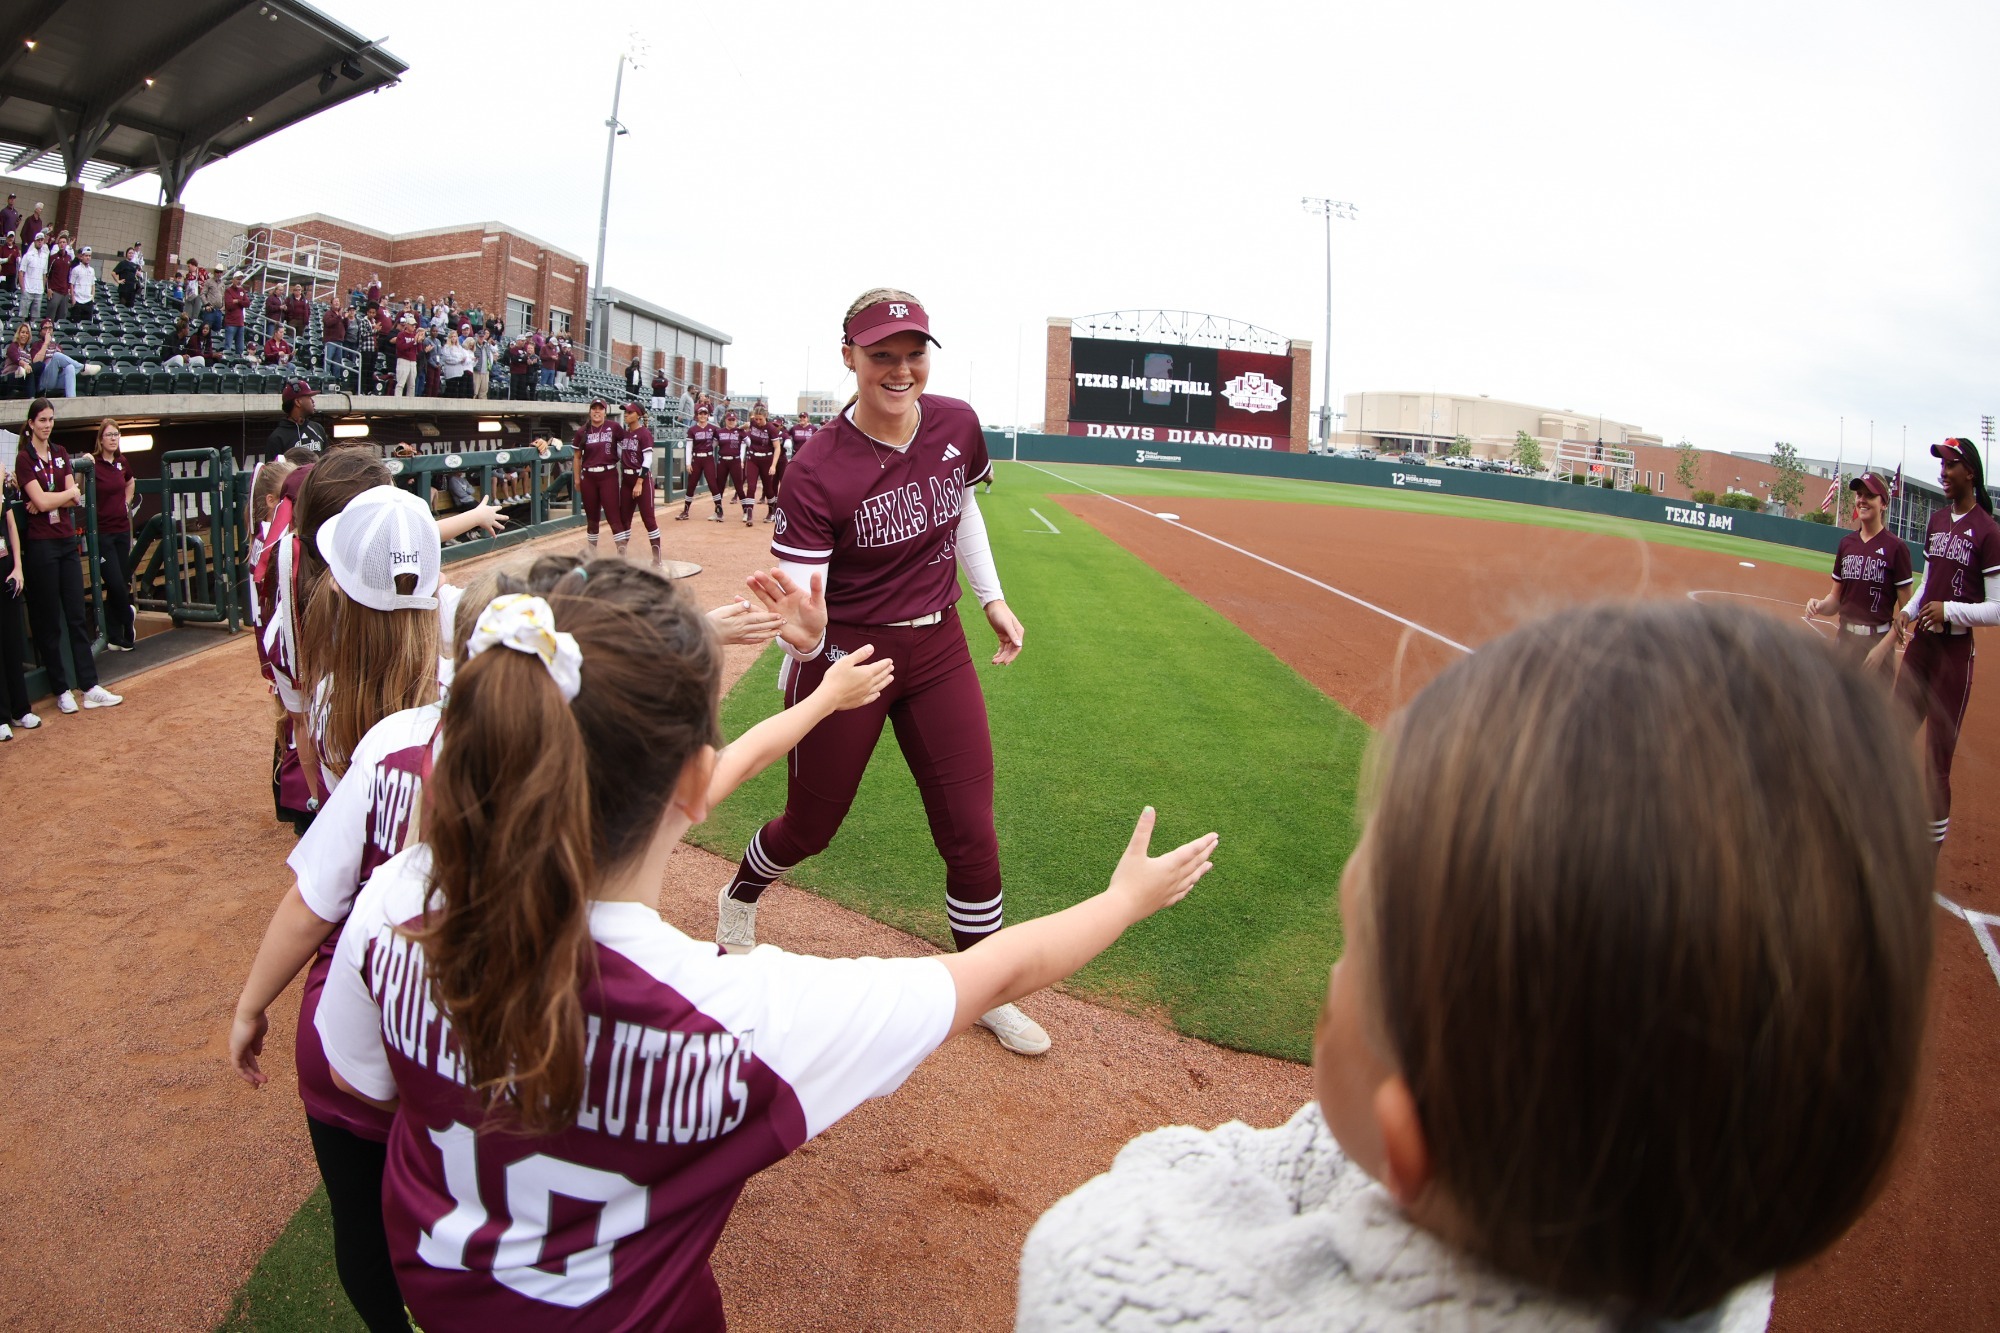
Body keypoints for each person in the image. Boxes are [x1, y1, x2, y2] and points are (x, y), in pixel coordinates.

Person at [311, 565, 1213, 1329]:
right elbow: (995, 970)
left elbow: (359, 1085)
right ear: (696, 784)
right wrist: (1123, 900)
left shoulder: (402, 900)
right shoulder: (736, 1019)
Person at [1018, 601, 1933, 1333]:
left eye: (1350, 945)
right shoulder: (1714, 1217)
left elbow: (1161, 1189)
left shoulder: (1103, 1290)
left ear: (1410, 1150)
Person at [721, 289, 1041, 1055]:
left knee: (970, 828)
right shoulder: (815, 468)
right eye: (881, 356)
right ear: (850, 359)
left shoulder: (957, 422)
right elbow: (802, 613)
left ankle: (985, 981)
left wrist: (991, 598)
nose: (901, 371)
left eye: (913, 354)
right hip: (848, 655)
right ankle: (740, 894)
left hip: (938, 645)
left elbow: (961, 508)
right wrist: (804, 647)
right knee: (812, 826)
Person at [1893, 438, 2000, 851]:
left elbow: (1996, 609)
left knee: (1936, 760)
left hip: (1954, 656)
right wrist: (1909, 610)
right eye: (1941, 464)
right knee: (1891, 733)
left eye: (1950, 464)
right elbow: (1926, 583)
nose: (1943, 472)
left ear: (1969, 471)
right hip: (1922, 647)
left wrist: (1949, 610)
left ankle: (1928, 854)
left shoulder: (1989, 532)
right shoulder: (1937, 521)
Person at [14, 398, 123, 714]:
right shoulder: (25, 459)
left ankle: (89, 686)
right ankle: (61, 689)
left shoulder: (60, 453)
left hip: (65, 543)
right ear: (32, 423)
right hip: (41, 547)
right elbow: (44, 500)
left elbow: (71, 497)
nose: (47, 425)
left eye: (50, 419)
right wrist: (55, 499)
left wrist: (53, 499)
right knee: (50, 621)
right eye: (42, 420)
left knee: (77, 616)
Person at [1805, 472, 1911, 676]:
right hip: (1845, 640)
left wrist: (1882, 649)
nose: (1862, 500)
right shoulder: (1847, 544)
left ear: (1884, 504)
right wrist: (1819, 605)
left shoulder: (1896, 548)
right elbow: (1835, 599)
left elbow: (1906, 612)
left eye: (1869, 495)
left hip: (1877, 643)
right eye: (1859, 495)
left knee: (1871, 708)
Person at [90, 420, 139, 652]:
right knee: (115, 583)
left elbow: (130, 481)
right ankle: (128, 618)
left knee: (121, 581)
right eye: (109, 435)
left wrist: (127, 502)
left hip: (121, 529)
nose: (113, 438)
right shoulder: (93, 463)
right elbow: (80, 488)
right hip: (102, 532)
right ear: (100, 439)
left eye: (116, 434)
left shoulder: (122, 462)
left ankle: (114, 634)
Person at [0, 487, 33, 741]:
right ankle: (1, 718)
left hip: (6, 572)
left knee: (13, 642)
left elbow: (11, 526)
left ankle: (21, 710)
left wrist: (18, 567)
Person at [571, 399, 623, 554]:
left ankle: (622, 553)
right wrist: (576, 479)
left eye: (600, 409)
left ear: (605, 412)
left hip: (608, 474)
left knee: (613, 516)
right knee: (592, 518)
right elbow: (577, 456)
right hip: (589, 477)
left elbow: (628, 443)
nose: (597, 411)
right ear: (590, 411)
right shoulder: (583, 431)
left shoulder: (614, 427)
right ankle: (592, 553)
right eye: (594, 408)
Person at [616, 401, 662, 566]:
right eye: (626, 412)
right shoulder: (626, 434)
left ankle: (657, 559)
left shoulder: (644, 433)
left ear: (638, 415)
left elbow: (648, 459)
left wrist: (639, 482)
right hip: (627, 480)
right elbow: (623, 454)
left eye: (629, 412)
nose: (626, 415)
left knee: (648, 519)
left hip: (640, 479)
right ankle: (621, 557)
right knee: (624, 519)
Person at [265, 381, 328, 460]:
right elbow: (272, 471)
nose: (313, 401)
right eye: (309, 397)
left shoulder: (317, 428)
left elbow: (326, 463)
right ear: (298, 402)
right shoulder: (277, 438)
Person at [739, 403, 777, 526]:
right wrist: (739, 428)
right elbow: (744, 427)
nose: (758, 421)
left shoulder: (771, 429)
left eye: (760, 419)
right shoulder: (752, 423)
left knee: (768, 488)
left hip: (766, 460)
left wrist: (773, 465)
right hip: (753, 458)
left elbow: (777, 448)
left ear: (765, 417)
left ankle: (772, 510)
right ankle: (749, 514)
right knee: (751, 486)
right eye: (756, 418)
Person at [678, 405, 717, 521]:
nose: (703, 416)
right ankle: (685, 510)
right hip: (696, 459)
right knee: (691, 485)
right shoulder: (692, 430)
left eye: (705, 414)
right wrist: (688, 463)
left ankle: (718, 509)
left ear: (708, 415)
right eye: (700, 414)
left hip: (708, 458)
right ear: (697, 415)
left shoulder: (713, 428)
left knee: (712, 483)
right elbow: (689, 446)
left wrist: (710, 448)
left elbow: (716, 441)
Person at [30, 319, 85, 398]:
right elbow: (35, 362)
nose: (48, 331)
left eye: (50, 328)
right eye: (45, 328)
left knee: (70, 367)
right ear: (41, 332)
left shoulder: (57, 346)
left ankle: (72, 399)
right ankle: (82, 367)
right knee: (56, 356)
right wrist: (46, 343)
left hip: (57, 378)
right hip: (44, 380)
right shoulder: (37, 345)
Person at [710, 410, 743, 524]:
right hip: (722, 461)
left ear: (736, 421)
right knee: (720, 487)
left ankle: (746, 511)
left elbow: (748, 444)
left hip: (735, 461)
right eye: (729, 420)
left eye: (733, 420)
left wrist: (743, 459)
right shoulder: (719, 432)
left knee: (739, 486)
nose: (731, 422)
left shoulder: (740, 432)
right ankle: (718, 511)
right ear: (725, 420)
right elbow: (712, 446)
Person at [17, 233, 47, 326]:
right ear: (35, 241)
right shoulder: (28, 255)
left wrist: (42, 288)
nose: (40, 242)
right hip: (28, 289)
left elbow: (44, 274)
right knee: (23, 315)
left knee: (35, 316)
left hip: (39, 291)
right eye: (38, 240)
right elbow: (21, 272)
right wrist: (23, 289)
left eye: (42, 240)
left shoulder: (45, 256)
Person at [392, 316, 423, 397]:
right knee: (401, 383)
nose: (414, 327)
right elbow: (401, 347)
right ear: (407, 325)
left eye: (415, 325)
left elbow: (419, 350)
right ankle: (397, 401)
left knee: (412, 384)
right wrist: (413, 342)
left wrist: (419, 342)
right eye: (412, 325)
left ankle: (410, 404)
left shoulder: (415, 335)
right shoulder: (401, 335)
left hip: (413, 361)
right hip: (403, 360)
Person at [223, 274, 250, 357]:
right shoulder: (228, 291)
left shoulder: (242, 290)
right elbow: (229, 305)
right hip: (231, 323)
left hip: (240, 323)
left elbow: (248, 303)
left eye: (241, 279)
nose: (239, 281)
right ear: (233, 280)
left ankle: (239, 364)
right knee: (228, 346)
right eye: (238, 279)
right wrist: (241, 302)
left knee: (240, 348)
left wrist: (238, 301)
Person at [67, 246, 97, 323]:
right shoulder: (76, 269)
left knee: (87, 325)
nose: (88, 258)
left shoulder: (92, 270)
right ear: (81, 257)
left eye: (89, 256)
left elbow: (93, 285)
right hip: (78, 301)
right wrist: (73, 299)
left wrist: (92, 297)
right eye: (86, 256)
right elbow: (71, 285)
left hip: (88, 301)